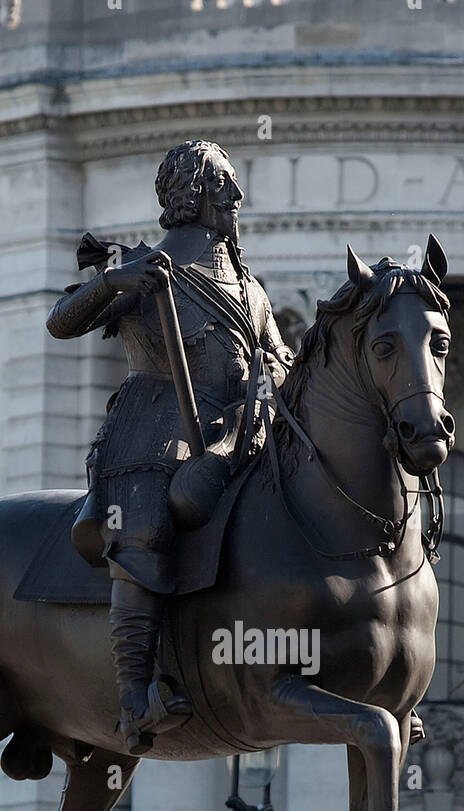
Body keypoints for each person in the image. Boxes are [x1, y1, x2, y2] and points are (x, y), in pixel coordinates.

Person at [47, 140, 293, 753]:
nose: (236, 197)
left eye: (234, 186)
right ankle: (135, 695)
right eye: (223, 186)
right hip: (156, 430)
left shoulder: (250, 288)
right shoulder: (145, 269)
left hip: (240, 430)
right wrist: (112, 281)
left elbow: (281, 357)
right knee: (147, 527)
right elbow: (61, 321)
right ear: (193, 196)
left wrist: (277, 375)